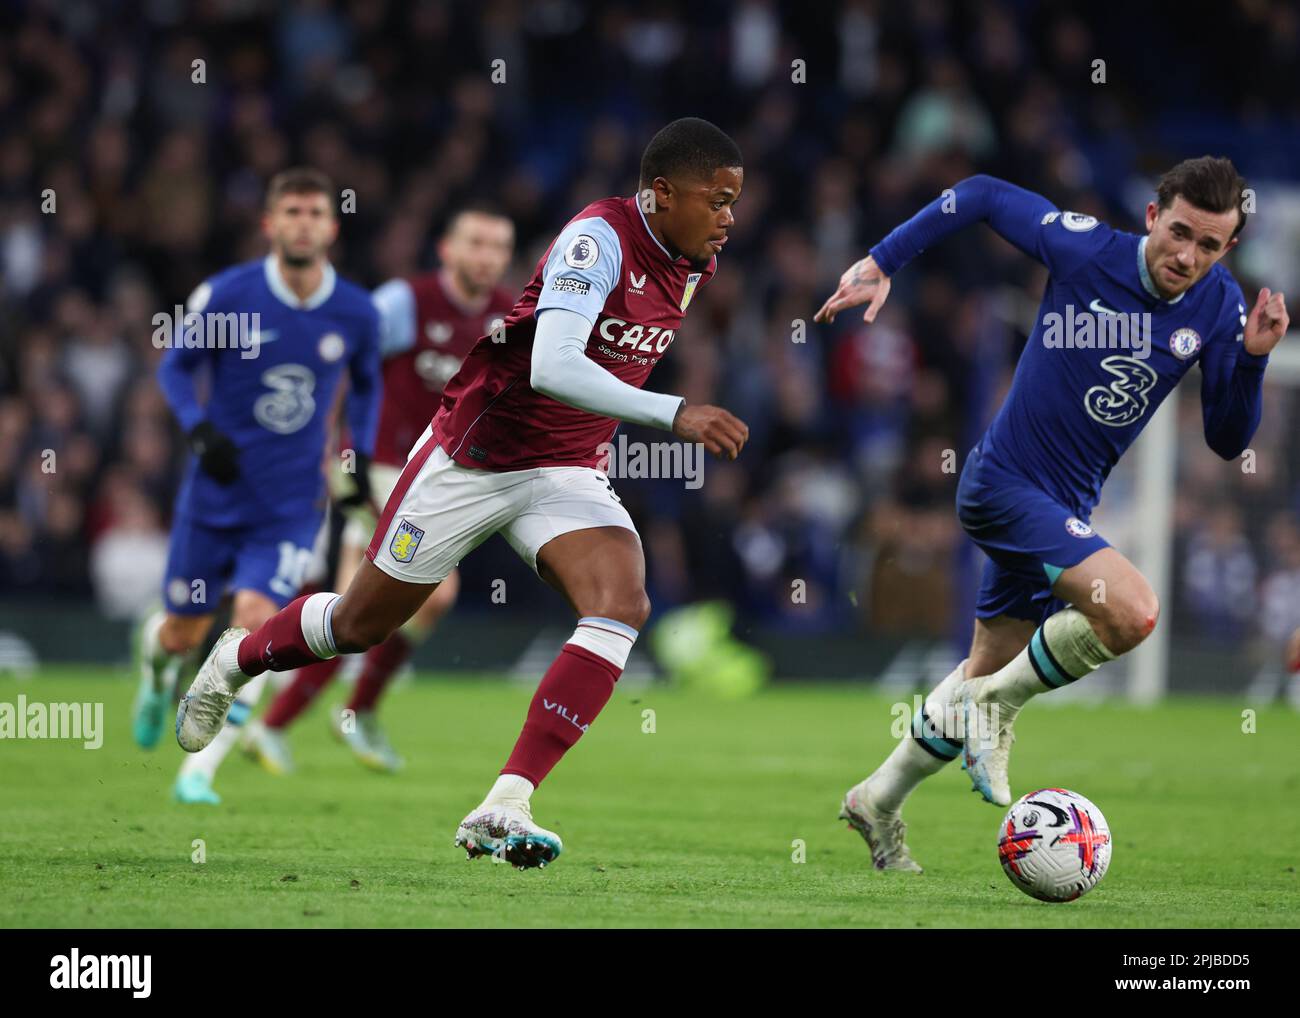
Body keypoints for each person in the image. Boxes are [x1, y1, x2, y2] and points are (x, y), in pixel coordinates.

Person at [175, 118, 749, 868]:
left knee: (621, 602)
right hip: (473, 457)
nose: (731, 218)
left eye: (735, 202)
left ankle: (506, 800)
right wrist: (677, 411)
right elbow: (552, 366)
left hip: (565, 467)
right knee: (357, 624)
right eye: (718, 200)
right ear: (662, 193)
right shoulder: (597, 240)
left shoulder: (692, 260)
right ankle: (235, 658)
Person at [815, 157, 1289, 871]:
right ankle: (998, 707)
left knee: (989, 665)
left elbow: (1227, 438)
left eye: (1210, 246)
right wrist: (883, 260)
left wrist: (1251, 360)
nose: (1188, 257)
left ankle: (877, 801)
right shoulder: (1084, 248)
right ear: (1154, 217)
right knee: (1131, 613)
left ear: (1227, 250)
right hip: (1003, 486)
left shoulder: (1219, 303)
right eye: (1181, 234)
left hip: (1063, 509)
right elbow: (979, 195)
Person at [132, 167, 381, 805]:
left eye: (315, 212)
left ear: (332, 225)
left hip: (292, 504)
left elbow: (369, 386)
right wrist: (195, 429)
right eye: (291, 212)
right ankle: (158, 676)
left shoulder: (355, 311)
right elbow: (176, 369)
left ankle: (198, 771)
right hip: (213, 497)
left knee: (252, 628)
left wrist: (359, 454)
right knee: (183, 632)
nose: (303, 223)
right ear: (270, 224)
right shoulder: (228, 295)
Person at [243, 206, 517, 775]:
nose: (486, 256)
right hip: (376, 468)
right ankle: (345, 712)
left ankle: (283, 722)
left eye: (497, 246)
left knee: (359, 610)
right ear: (447, 248)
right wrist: (328, 450)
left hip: (439, 478)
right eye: (476, 242)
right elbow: (341, 369)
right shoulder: (403, 302)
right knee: (422, 596)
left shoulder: (508, 317)